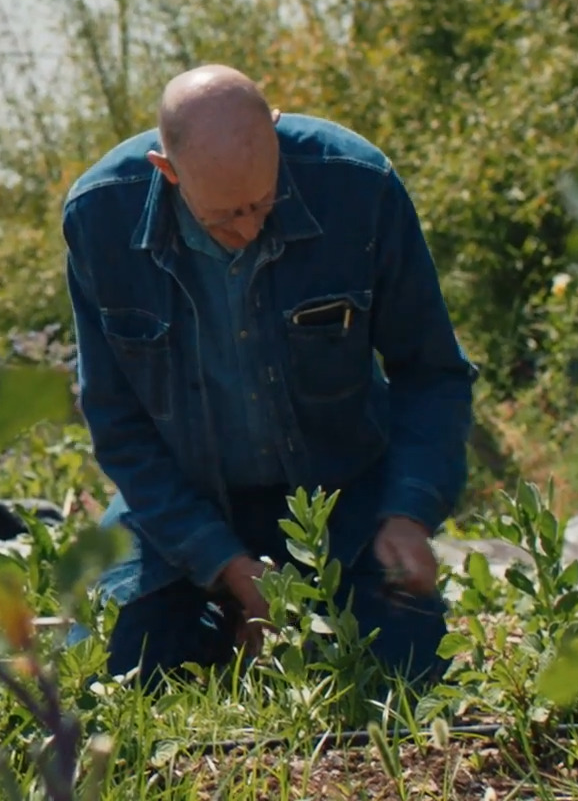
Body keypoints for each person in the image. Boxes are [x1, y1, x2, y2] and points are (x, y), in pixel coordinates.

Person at [61, 64, 477, 689]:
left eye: (264, 203)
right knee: (114, 676)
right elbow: (118, 424)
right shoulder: (100, 217)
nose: (251, 227)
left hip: (344, 499)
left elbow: (432, 372)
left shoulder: (359, 188)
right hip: (181, 507)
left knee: (402, 676)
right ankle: (219, 621)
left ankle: (279, 620)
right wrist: (224, 565)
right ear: (167, 172)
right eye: (227, 217)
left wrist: (408, 513)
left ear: (276, 133)